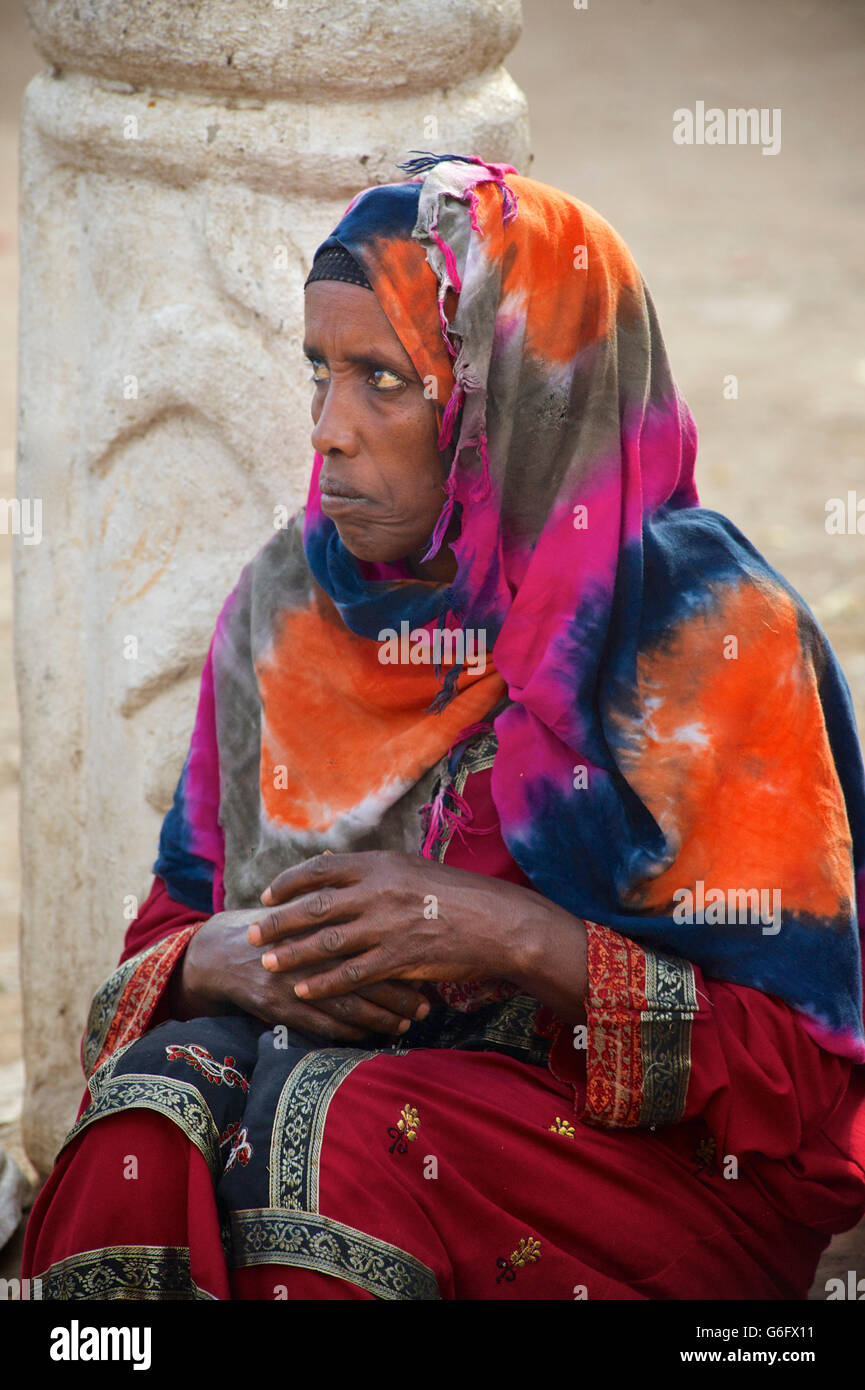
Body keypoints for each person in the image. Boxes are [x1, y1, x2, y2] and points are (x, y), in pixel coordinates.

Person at [22, 152, 865, 1301]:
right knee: (155, 1109)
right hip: (338, 1082)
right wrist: (223, 959)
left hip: (653, 1167)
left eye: (384, 378)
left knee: (338, 1129)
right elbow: (182, 914)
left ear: (510, 394)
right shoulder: (292, 605)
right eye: (316, 371)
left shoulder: (704, 632)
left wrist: (510, 939)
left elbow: (801, 1084)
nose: (327, 429)